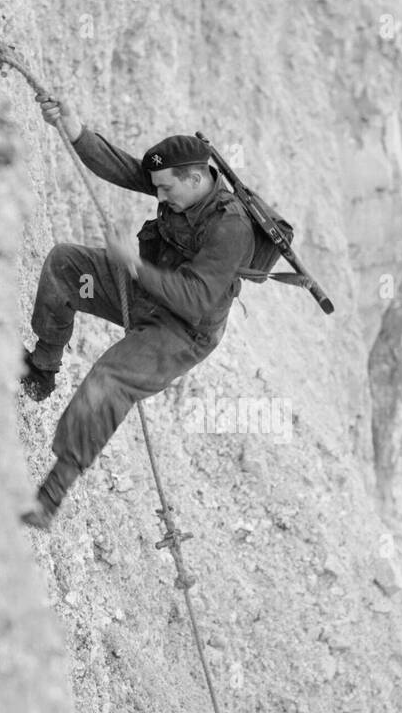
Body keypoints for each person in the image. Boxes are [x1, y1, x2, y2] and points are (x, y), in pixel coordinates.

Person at [20, 95, 256, 529]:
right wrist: (75, 130)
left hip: (181, 330)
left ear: (197, 178)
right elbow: (126, 169)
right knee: (66, 264)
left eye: (165, 188)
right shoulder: (180, 186)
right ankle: (42, 369)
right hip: (146, 289)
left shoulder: (231, 228)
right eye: (158, 187)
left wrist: (132, 263)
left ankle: (52, 494)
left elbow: (193, 298)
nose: (158, 194)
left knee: (108, 380)